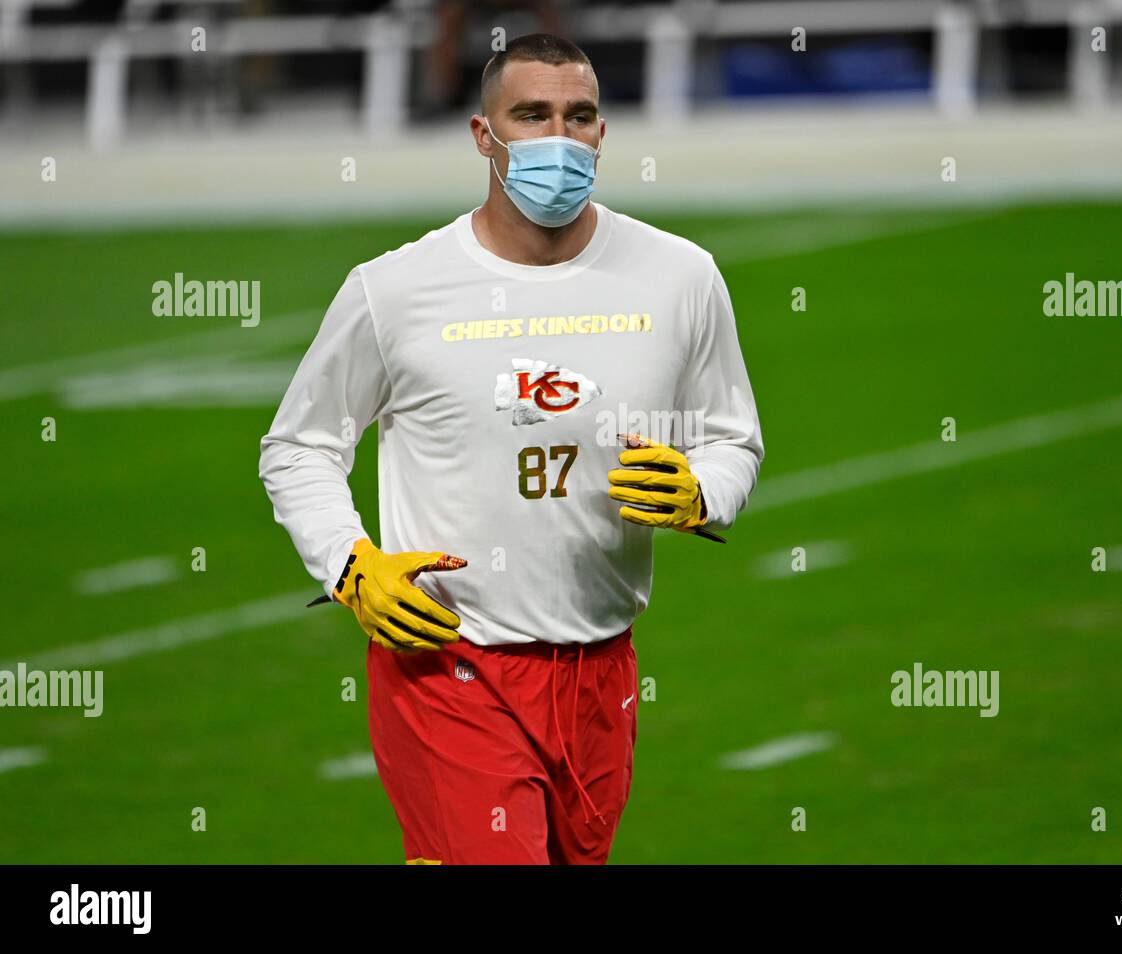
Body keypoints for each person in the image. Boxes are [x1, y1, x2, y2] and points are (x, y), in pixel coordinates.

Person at [258, 33, 763, 864]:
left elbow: (731, 435)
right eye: (531, 116)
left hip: (600, 670)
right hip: (448, 663)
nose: (558, 138)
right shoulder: (395, 291)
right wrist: (352, 565)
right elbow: (300, 444)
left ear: (602, 134)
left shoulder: (681, 276)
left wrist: (704, 490)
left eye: (579, 116)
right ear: (482, 135)